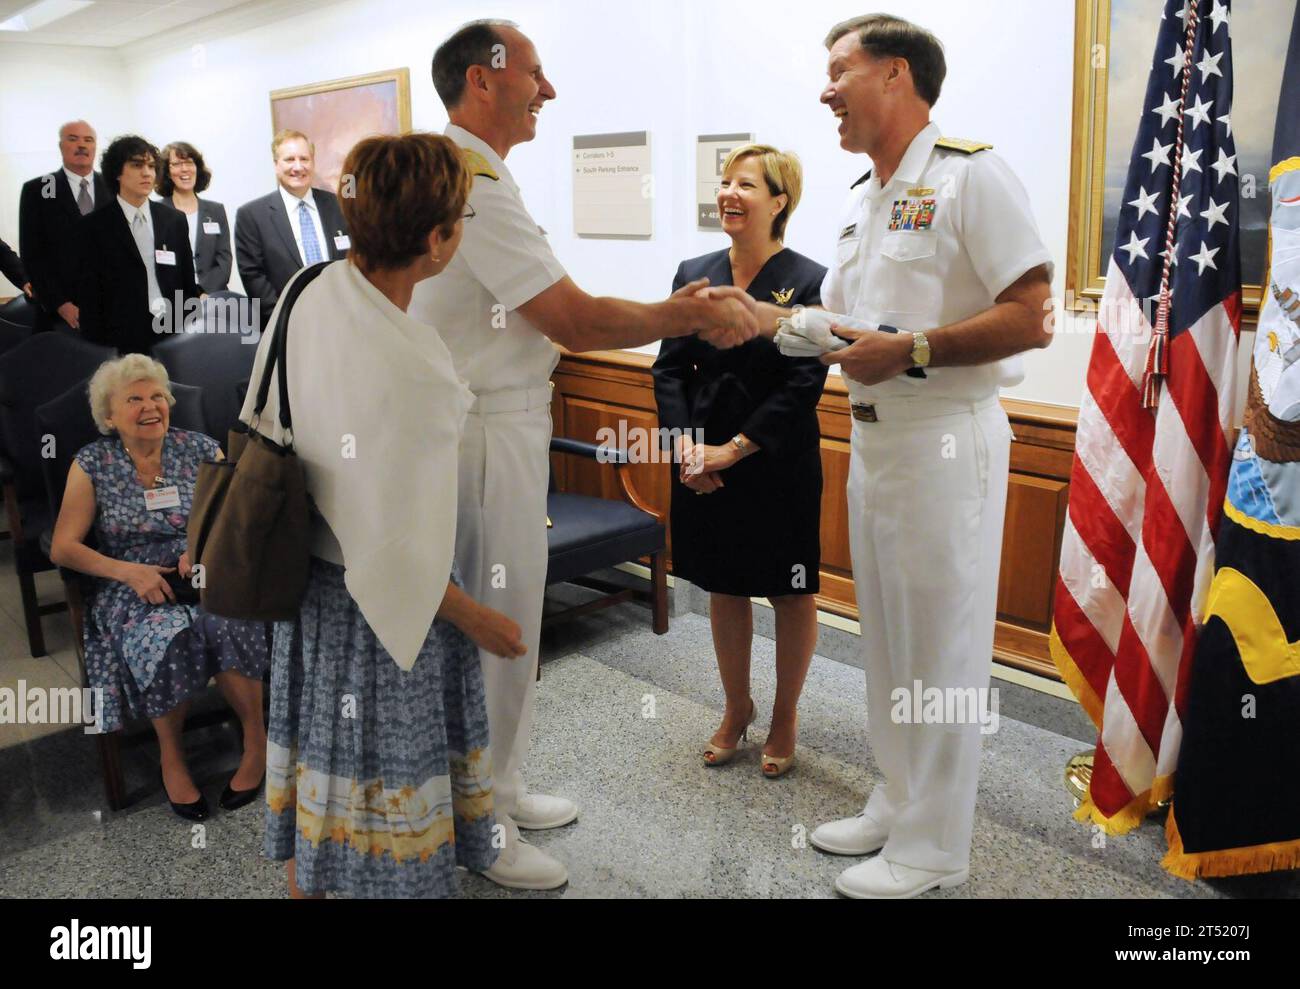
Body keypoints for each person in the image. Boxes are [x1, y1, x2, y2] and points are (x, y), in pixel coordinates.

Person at [413, 19, 759, 891]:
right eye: (536, 73)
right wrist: (676, 315)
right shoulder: (471, 180)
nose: (550, 90)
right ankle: (483, 826)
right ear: (485, 80)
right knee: (498, 624)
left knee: (511, 615)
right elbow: (569, 318)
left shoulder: (476, 173)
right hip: (485, 430)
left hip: (505, 422)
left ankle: (503, 784)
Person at [746, 14, 1054, 898]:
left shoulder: (970, 175)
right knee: (885, 637)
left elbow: (1031, 313)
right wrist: (771, 321)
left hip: (946, 438)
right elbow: (846, 324)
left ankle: (935, 844)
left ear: (895, 75)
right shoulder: (861, 197)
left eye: (839, 69)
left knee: (944, 650)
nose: (825, 88)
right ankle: (898, 798)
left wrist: (913, 350)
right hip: (874, 445)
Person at [243, 132, 529, 899]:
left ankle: (310, 883)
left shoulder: (307, 287)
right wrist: (478, 619)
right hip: (384, 614)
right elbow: (394, 551)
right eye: (460, 217)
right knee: (387, 789)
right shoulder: (414, 364)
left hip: (306, 588)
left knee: (327, 769)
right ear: (438, 240)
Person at [652, 144, 828, 779]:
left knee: (789, 590)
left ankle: (785, 716)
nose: (728, 193)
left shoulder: (810, 279)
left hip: (775, 457)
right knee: (723, 584)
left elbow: (803, 383)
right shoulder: (694, 271)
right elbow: (669, 368)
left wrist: (736, 447)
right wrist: (685, 449)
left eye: (745, 184)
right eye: (724, 182)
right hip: (702, 459)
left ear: (779, 201)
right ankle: (737, 707)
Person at [49, 355, 270, 821]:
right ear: (110, 416)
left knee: (230, 623)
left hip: (203, 573)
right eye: (134, 399)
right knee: (165, 637)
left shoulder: (202, 449)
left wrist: (203, 549)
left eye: (157, 397)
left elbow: (234, 522)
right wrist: (130, 572)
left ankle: (256, 743)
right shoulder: (93, 463)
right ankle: (172, 756)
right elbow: (64, 548)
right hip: (131, 583)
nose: (151, 407)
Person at [76, 135, 200, 354]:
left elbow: (186, 281)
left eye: (152, 166)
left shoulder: (173, 220)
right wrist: (99, 348)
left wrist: (191, 326)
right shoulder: (94, 227)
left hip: (173, 330)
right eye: (136, 165)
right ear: (117, 172)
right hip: (120, 337)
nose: (147, 173)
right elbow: (90, 295)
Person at [234, 130, 349, 328]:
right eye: (289, 159)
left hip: (342, 319)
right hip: (286, 327)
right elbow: (253, 277)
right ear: (276, 165)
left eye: (304, 158)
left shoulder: (337, 205)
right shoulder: (252, 215)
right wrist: (287, 320)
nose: (298, 167)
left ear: (313, 162)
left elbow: (352, 260)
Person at [18, 120, 111, 331]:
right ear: (61, 146)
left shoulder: (114, 187)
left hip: (110, 308)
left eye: (88, 140)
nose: (82, 145)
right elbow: (33, 255)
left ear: (95, 147)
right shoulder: (40, 189)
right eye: (73, 139)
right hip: (60, 313)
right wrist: (60, 304)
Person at [157, 141, 232, 293]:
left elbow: (224, 260)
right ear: (167, 172)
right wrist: (187, 295)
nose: (185, 169)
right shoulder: (156, 212)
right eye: (177, 164)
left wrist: (203, 292)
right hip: (174, 299)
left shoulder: (216, 211)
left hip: (213, 297)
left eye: (189, 163)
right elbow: (157, 264)